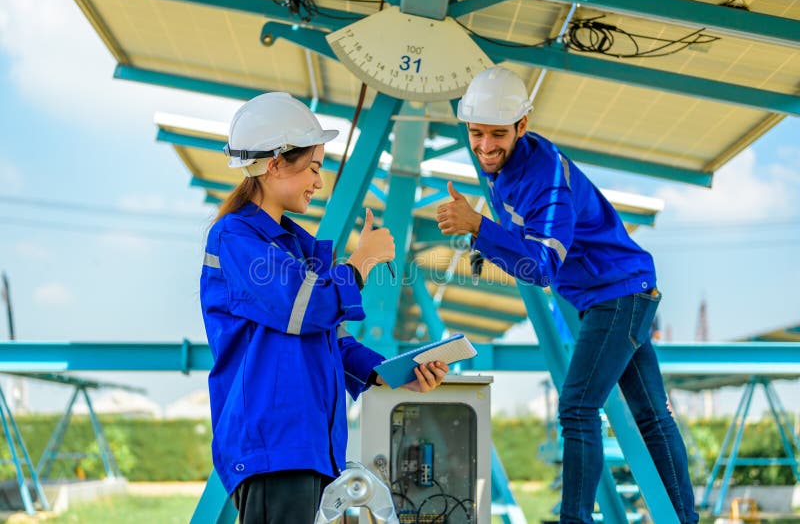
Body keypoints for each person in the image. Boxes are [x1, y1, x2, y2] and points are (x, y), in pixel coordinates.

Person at [436, 67, 698, 524]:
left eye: (497, 134)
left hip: (617, 295)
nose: (485, 146)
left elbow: (540, 267)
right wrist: (485, 242)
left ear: (522, 125)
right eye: (476, 133)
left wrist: (479, 227)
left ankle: (575, 520)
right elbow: (523, 242)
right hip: (618, 292)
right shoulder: (507, 168)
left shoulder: (548, 181)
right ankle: (684, 519)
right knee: (653, 417)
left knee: (578, 408)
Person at [200, 92, 449, 524]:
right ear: (275, 163)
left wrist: (395, 374)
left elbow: (332, 339)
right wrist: (361, 261)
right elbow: (302, 306)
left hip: (306, 446)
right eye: (314, 167)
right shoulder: (236, 237)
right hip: (275, 445)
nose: (319, 182)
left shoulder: (293, 248)